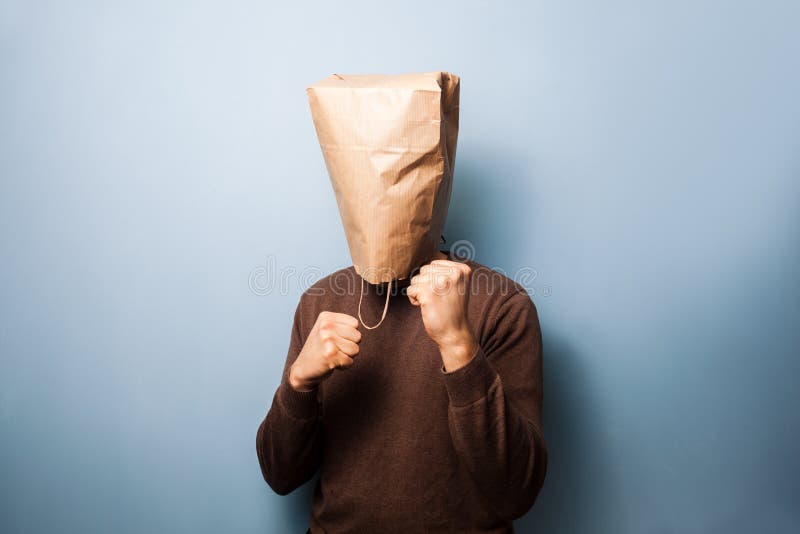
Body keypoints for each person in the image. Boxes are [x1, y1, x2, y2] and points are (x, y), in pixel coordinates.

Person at [256, 248, 548, 533]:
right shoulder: (320, 303)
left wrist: (458, 344)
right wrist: (298, 384)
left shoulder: (502, 304)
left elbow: (517, 491)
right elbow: (280, 475)